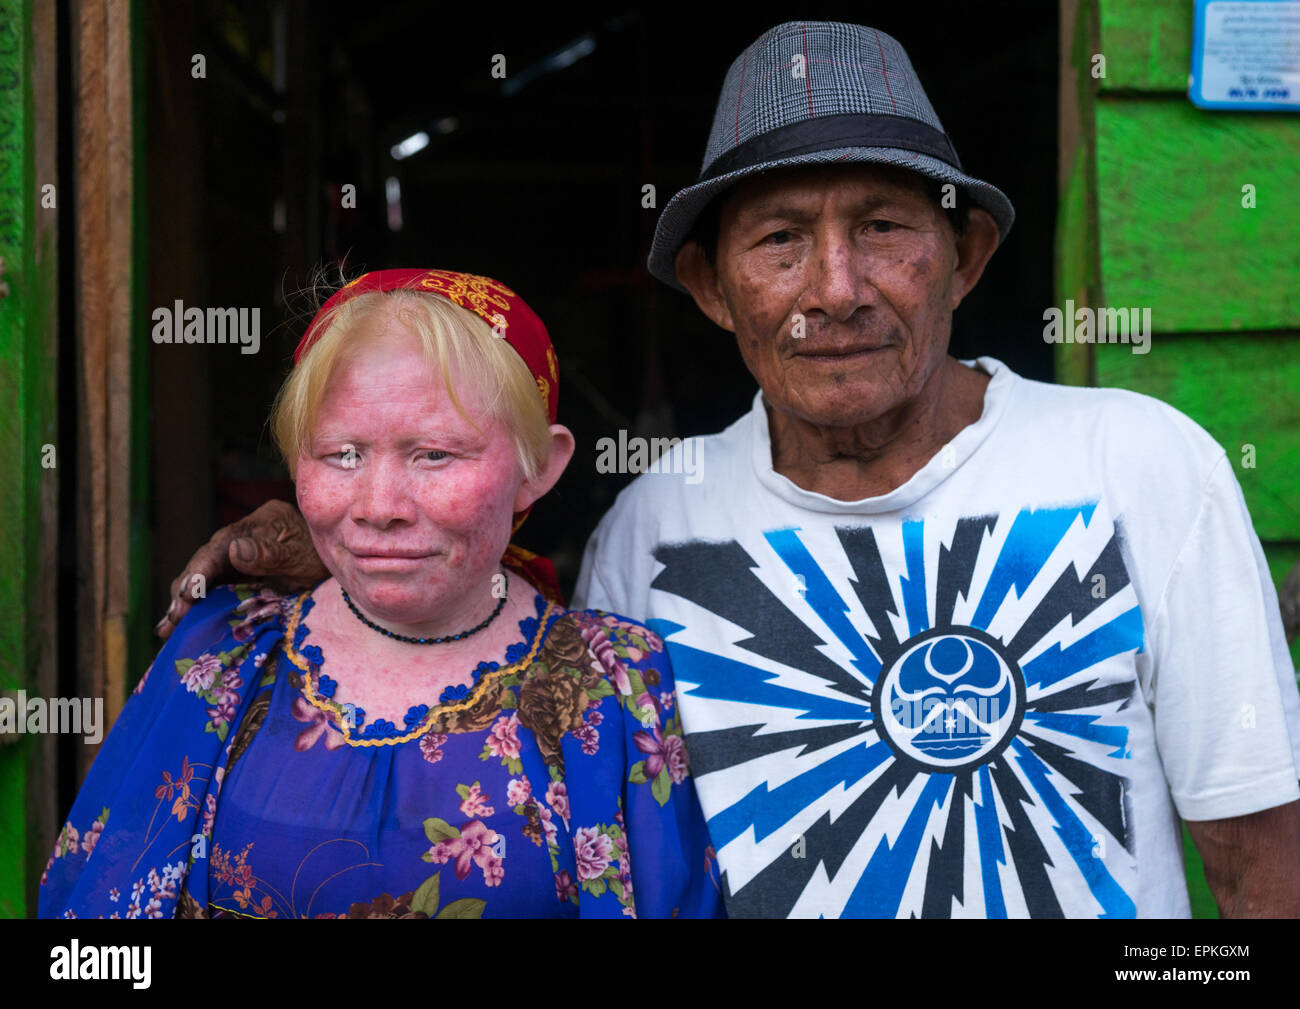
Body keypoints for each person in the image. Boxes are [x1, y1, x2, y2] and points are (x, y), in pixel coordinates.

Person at [156, 24, 1300, 919]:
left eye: (887, 226)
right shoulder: (655, 524)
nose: (836, 286)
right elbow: (530, 720)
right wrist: (349, 539)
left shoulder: (1139, 463)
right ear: (711, 288)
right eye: (780, 239)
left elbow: (1260, 868)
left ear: (968, 256)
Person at [40, 268, 723, 919]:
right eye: (342, 454)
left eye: (433, 454)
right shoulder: (225, 654)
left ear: (537, 468)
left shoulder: (613, 684)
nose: (380, 505)